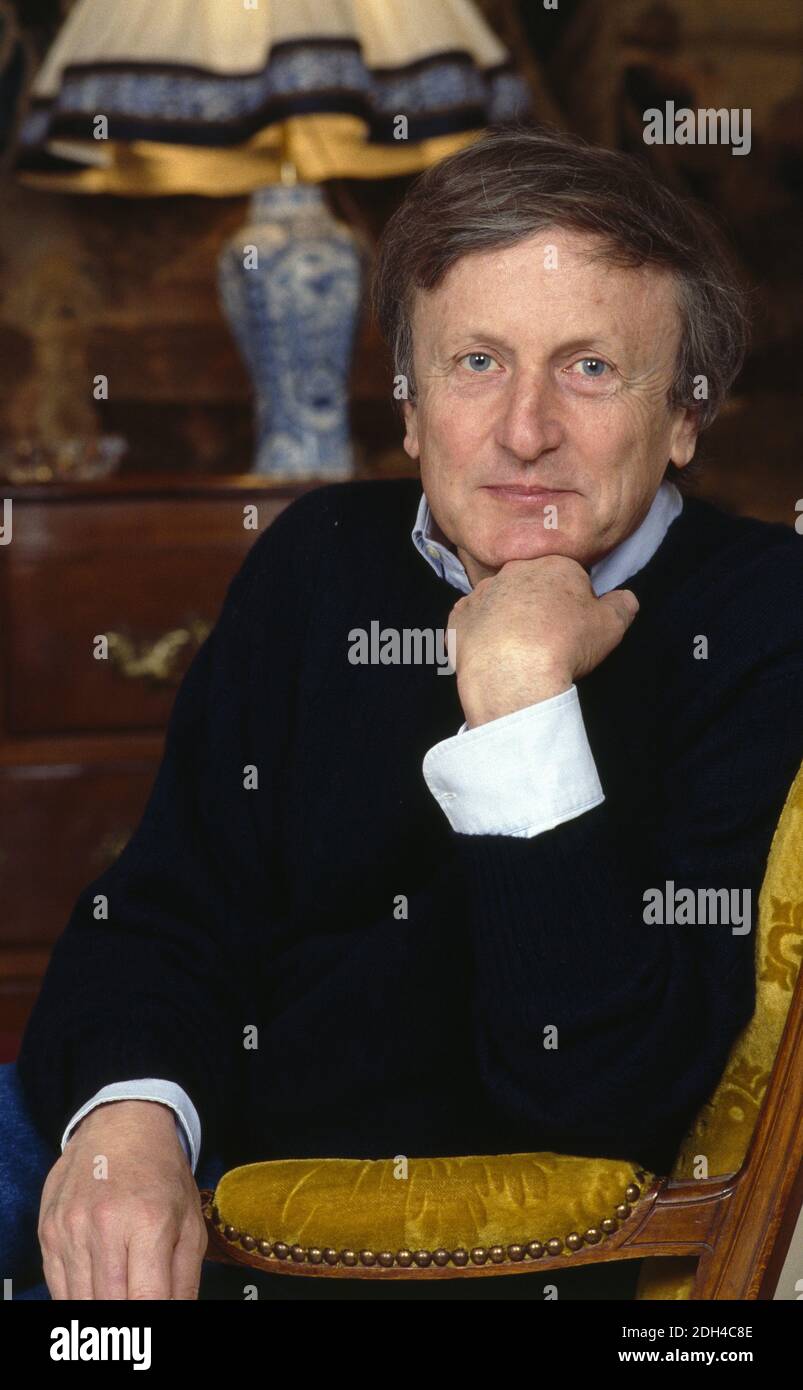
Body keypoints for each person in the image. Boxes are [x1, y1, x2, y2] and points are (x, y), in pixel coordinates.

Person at [5, 125, 803, 1301]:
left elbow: (602, 1093)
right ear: (411, 408)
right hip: (200, 1137)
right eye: (476, 363)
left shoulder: (762, 616)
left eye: (588, 368)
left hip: (423, 1242)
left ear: (683, 416)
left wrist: (521, 705)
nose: (524, 427)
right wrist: (131, 1120)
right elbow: (164, 910)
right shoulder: (318, 559)